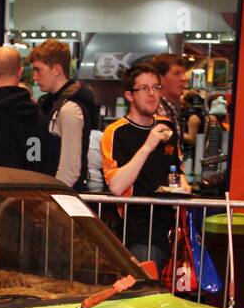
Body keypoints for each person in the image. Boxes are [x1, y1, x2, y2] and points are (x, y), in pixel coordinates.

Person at [100, 62, 188, 263]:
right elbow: (116, 186)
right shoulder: (116, 132)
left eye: (156, 87)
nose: (152, 94)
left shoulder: (166, 125)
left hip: (168, 228)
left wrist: (181, 185)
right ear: (129, 95)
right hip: (137, 229)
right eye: (144, 89)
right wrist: (148, 146)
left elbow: (176, 172)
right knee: (143, 290)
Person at [30, 38, 98, 190]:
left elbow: (70, 170)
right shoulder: (53, 104)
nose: (34, 77)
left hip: (61, 198)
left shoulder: (69, 109)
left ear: (56, 69)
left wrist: (50, 201)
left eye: (38, 70)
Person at [152, 53, 187, 133]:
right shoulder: (156, 108)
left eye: (184, 73)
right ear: (160, 79)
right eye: (177, 73)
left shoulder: (168, 107)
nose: (184, 78)